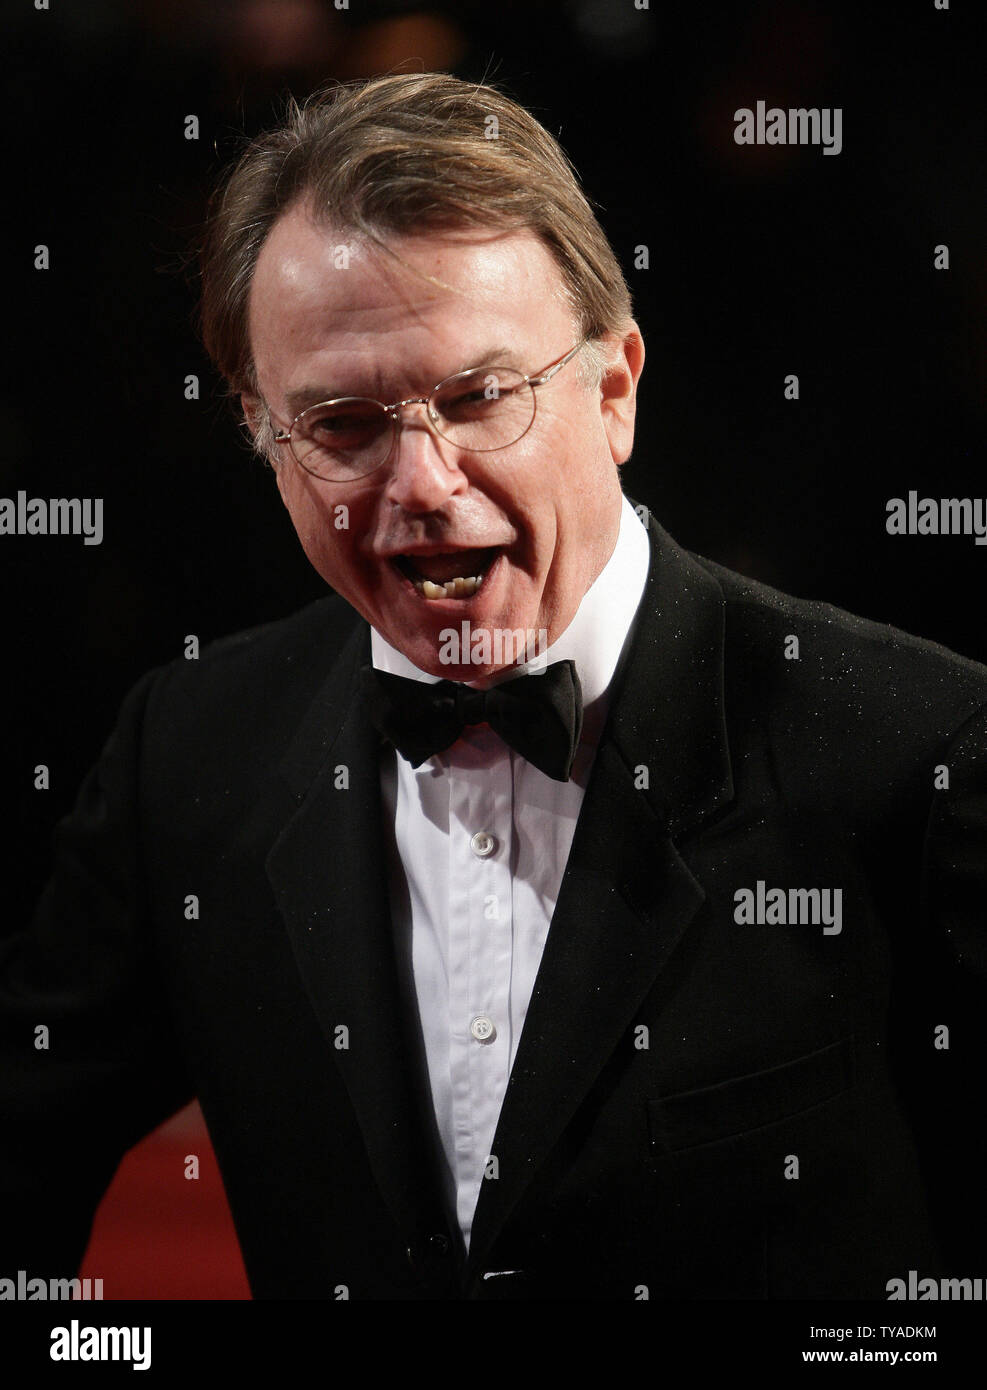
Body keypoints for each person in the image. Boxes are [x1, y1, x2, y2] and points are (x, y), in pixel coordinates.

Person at [3, 72, 985, 1301]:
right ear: (263, 435)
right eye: (344, 422)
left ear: (615, 389)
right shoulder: (190, 754)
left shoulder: (913, 745)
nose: (420, 478)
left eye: (478, 397)